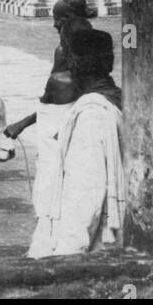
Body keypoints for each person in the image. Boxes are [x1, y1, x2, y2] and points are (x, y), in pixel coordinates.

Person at [3, 0, 96, 257]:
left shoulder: (72, 52)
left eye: (58, 19)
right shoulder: (79, 47)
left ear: (70, 19)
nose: (54, 25)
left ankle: (52, 246)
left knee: (52, 188)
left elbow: (55, 97)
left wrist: (23, 123)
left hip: (60, 127)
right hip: (55, 120)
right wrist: (24, 123)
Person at [30, 28, 125, 258]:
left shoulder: (91, 114)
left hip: (84, 249)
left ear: (76, 65)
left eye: (69, 60)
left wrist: (65, 255)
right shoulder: (116, 97)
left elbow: (85, 197)